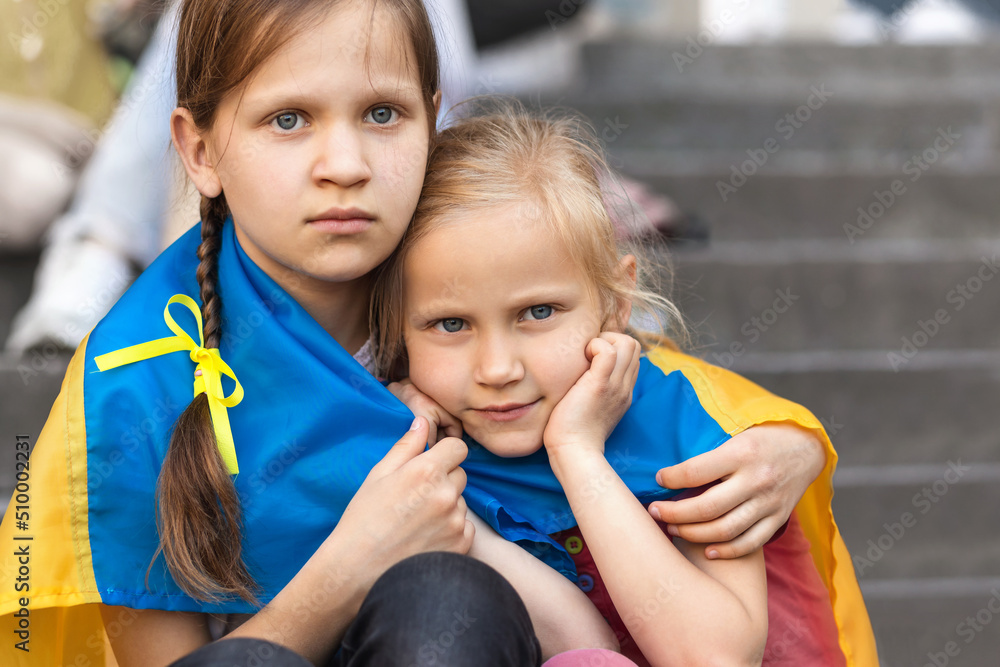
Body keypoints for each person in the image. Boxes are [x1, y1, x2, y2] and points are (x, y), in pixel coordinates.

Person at [0, 1, 845, 665]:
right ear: (198, 150)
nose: (345, 165)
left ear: (432, 120)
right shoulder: (140, 375)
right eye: (288, 120)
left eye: (382, 113)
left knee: (444, 600)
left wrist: (785, 445)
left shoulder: (459, 285)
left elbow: (638, 375)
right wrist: (354, 560)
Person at [371, 100, 879, 665]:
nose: (497, 369)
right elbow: (582, 643)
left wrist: (577, 452)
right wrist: (439, 495)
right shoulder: (419, 445)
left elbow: (713, 658)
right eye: (450, 324)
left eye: (538, 313)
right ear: (397, 329)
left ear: (616, 302)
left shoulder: (686, 430)